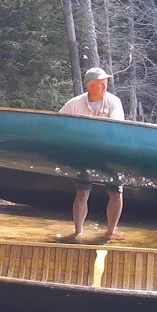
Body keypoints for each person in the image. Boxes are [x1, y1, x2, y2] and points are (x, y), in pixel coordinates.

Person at [59, 66, 127, 240]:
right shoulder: (74, 104)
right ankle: (78, 232)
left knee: (116, 193)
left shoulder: (114, 102)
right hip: (85, 153)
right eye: (101, 83)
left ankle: (110, 232)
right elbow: (58, 124)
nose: (105, 87)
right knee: (82, 193)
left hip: (110, 154)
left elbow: (116, 128)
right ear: (90, 85)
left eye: (106, 83)